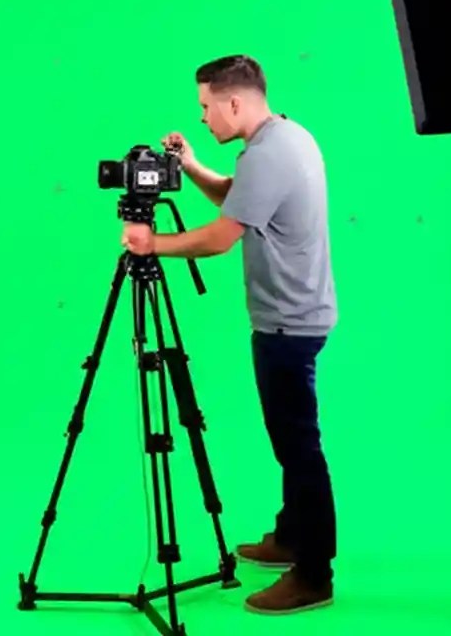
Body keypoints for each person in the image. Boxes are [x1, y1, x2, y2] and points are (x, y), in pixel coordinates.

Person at [121, 54, 338, 616]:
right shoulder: (282, 140)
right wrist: (191, 165)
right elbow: (238, 200)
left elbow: (221, 238)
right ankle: (291, 535)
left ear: (233, 102)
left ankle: (313, 573)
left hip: (288, 322)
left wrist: (152, 246)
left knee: (298, 447)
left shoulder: (269, 155)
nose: (202, 119)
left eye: (205, 108)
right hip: (293, 315)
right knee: (289, 440)